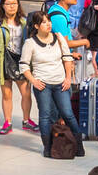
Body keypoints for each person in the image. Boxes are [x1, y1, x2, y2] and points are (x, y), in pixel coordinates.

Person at [20, 9, 82, 158]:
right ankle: (48, 148)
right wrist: (33, 81)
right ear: (36, 26)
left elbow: (67, 58)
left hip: (60, 82)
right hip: (43, 84)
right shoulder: (30, 43)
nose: (48, 24)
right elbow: (24, 65)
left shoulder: (59, 38)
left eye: (49, 21)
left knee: (68, 114)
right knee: (45, 116)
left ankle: (79, 146)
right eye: (44, 22)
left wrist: (68, 78)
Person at [0, 0, 32, 134]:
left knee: (26, 93)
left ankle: (26, 120)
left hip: (21, 61)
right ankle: (8, 121)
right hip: (4, 63)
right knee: (7, 94)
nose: (12, 7)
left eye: (14, 3)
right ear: (3, 6)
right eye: (8, 4)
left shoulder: (25, 23)